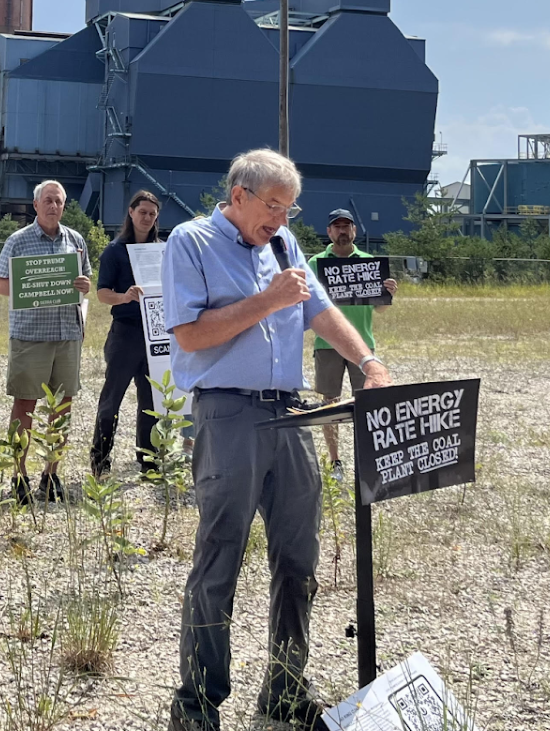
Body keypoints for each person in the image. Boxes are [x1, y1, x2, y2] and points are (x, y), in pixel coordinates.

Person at [164, 149, 392, 731]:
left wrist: (367, 362)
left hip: (290, 415)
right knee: (220, 557)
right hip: (227, 414)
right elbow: (189, 336)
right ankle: (197, 702)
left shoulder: (285, 248)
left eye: (289, 210)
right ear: (238, 195)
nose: (281, 222)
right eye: (273, 207)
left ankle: (287, 686)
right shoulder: (189, 242)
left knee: (298, 558)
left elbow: (319, 309)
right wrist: (267, 300)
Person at [0, 179, 93, 503]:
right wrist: (27, 289)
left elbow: (86, 279)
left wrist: (83, 284)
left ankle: (51, 475)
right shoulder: (18, 241)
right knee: (25, 404)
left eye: (59, 202)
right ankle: (19, 476)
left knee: (62, 407)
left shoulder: (75, 240)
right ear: (35, 205)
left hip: (67, 335)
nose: (53, 206)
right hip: (31, 336)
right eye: (48, 200)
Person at [308, 208, 398, 481]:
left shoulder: (369, 263)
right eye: (337, 227)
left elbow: (378, 310)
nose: (342, 231)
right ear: (329, 232)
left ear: (354, 231)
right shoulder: (315, 264)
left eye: (347, 226)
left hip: (362, 345)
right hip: (327, 344)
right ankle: (335, 461)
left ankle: (368, 459)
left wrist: (387, 294)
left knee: (369, 402)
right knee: (329, 403)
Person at [88, 189, 161, 479]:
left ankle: (149, 462)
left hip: (154, 334)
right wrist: (124, 296)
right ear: (131, 213)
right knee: (111, 400)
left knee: (151, 403)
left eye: (152, 213)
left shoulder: (161, 250)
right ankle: (100, 462)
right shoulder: (114, 251)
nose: (146, 217)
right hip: (125, 334)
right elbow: (102, 294)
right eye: (142, 211)